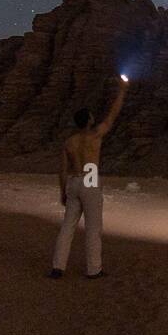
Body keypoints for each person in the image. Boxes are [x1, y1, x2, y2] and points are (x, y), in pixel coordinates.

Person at [50, 75, 128, 279]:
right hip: (90, 179)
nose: (94, 117)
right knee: (93, 228)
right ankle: (94, 269)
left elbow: (62, 170)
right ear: (89, 121)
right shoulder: (95, 136)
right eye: (92, 116)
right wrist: (122, 90)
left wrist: (62, 192)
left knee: (67, 227)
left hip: (73, 182)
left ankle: (58, 267)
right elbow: (113, 115)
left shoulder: (69, 142)